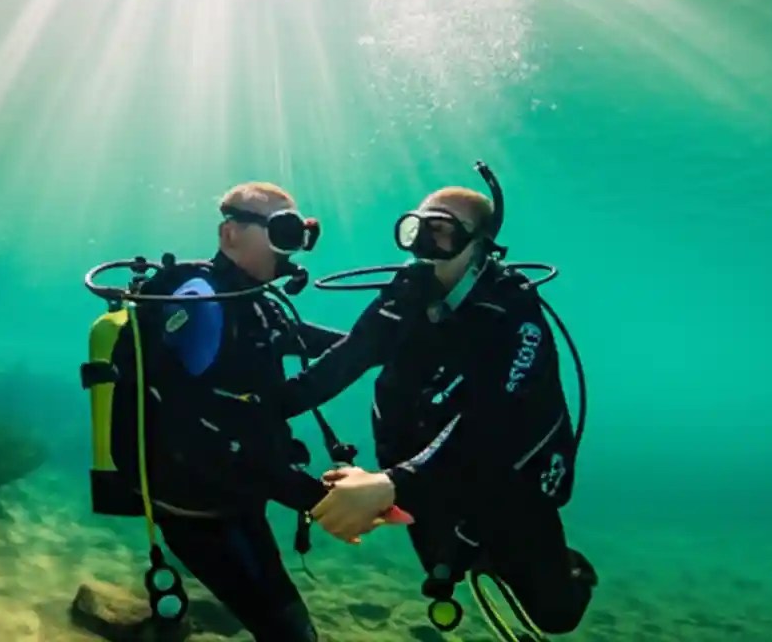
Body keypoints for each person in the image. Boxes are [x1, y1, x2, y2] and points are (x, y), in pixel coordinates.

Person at [274, 175, 597, 638]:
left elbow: (493, 426)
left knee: (556, 617)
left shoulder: (513, 317)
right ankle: (471, 556)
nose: (425, 244)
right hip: (422, 478)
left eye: (442, 230)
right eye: (417, 229)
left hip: (508, 482)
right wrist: (264, 410)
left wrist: (390, 484)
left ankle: (568, 571)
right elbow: (344, 362)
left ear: (479, 247)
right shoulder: (403, 297)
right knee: (446, 568)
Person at [101, 181, 346, 641]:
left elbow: (317, 347)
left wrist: (399, 342)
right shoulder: (201, 303)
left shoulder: (254, 305)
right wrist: (315, 498)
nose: (292, 249)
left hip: (235, 497)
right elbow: (193, 436)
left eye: (299, 233)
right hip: (199, 511)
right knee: (290, 633)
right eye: (282, 230)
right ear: (230, 235)